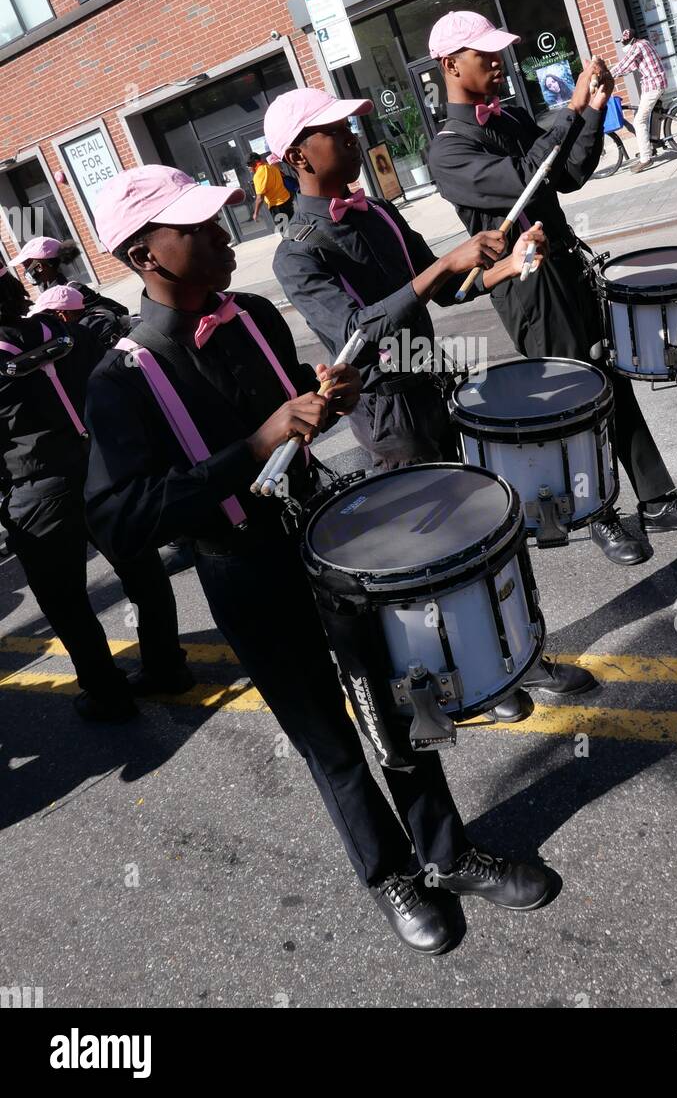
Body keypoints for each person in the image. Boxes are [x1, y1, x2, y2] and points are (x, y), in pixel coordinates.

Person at [83, 163, 554, 954]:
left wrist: (321, 396)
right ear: (144, 256)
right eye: (193, 228)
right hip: (242, 568)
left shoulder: (255, 316)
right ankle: (388, 875)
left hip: (327, 541)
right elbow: (118, 518)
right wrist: (260, 441)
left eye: (215, 218)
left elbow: (301, 391)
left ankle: (447, 854)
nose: (219, 235)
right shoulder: (120, 377)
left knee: (400, 706)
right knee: (329, 742)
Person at [268, 86, 593, 707]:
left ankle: (522, 655)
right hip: (389, 412)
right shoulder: (297, 253)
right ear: (299, 155)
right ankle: (471, 673)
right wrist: (445, 265)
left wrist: (510, 263)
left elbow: (453, 290)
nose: (352, 139)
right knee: (433, 557)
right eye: (334, 132)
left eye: (351, 127)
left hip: (434, 380)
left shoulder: (379, 213)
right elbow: (358, 329)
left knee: (487, 533)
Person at [425, 10, 677, 566]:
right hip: (528, 283)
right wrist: (570, 110)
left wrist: (590, 111)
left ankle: (657, 498)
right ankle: (598, 514)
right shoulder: (447, 149)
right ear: (450, 65)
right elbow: (525, 178)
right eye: (484, 55)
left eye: (499, 52)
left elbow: (567, 174)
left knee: (611, 377)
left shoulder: (510, 115)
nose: (498, 62)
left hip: (569, 263)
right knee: (573, 399)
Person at [0, 265, 185, 721]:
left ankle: (107, 693)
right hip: (101, 465)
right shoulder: (61, 328)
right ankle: (167, 666)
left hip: (36, 488)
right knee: (141, 570)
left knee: (65, 602)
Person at [7, 236, 129, 320]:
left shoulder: (72, 290)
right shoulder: (47, 290)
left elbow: (119, 310)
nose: (25, 271)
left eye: (26, 266)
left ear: (39, 267)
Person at [608, 28, 667, 172]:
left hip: (653, 86)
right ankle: (649, 146)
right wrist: (617, 75)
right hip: (655, 84)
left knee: (639, 121)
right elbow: (631, 66)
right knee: (647, 116)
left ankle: (645, 159)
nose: (623, 46)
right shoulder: (644, 43)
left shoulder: (637, 46)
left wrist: (607, 75)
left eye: (625, 42)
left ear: (631, 40)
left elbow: (624, 63)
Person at [249, 151, 293, 224]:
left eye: (249, 164)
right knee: (295, 226)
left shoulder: (258, 175)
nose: (248, 167)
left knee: (286, 232)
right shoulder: (271, 166)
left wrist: (255, 213)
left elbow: (260, 198)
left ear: (255, 162)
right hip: (287, 199)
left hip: (277, 206)